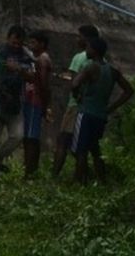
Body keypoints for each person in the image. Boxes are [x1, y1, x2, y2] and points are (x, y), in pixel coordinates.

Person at [71, 37, 133, 185]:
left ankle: (79, 182)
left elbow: (75, 84)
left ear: (94, 50)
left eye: (88, 48)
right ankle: (102, 180)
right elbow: (129, 91)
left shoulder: (91, 67)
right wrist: (111, 107)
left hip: (86, 113)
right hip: (100, 115)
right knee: (95, 149)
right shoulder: (112, 71)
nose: (86, 50)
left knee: (80, 150)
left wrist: (78, 96)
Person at [52, 25, 101, 177]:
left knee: (63, 140)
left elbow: (73, 82)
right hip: (91, 108)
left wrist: (76, 96)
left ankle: (54, 176)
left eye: (79, 36)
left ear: (87, 39)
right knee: (89, 145)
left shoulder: (79, 57)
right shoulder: (101, 60)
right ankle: (94, 177)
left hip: (75, 106)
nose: (77, 39)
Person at [0, 25, 30, 174]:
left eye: (19, 43)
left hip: (15, 102)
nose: (16, 46)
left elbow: (31, 74)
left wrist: (18, 68)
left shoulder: (26, 55)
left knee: (18, 136)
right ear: (8, 39)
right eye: (13, 42)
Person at [22, 31, 53, 177]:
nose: (30, 45)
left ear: (42, 44)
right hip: (31, 100)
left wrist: (45, 105)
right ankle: (30, 170)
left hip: (35, 101)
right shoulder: (37, 59)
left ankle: (30, 171)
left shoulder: (43, 59)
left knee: (31, 138)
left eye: (33, 42)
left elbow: (43, 84)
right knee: (29, 137)